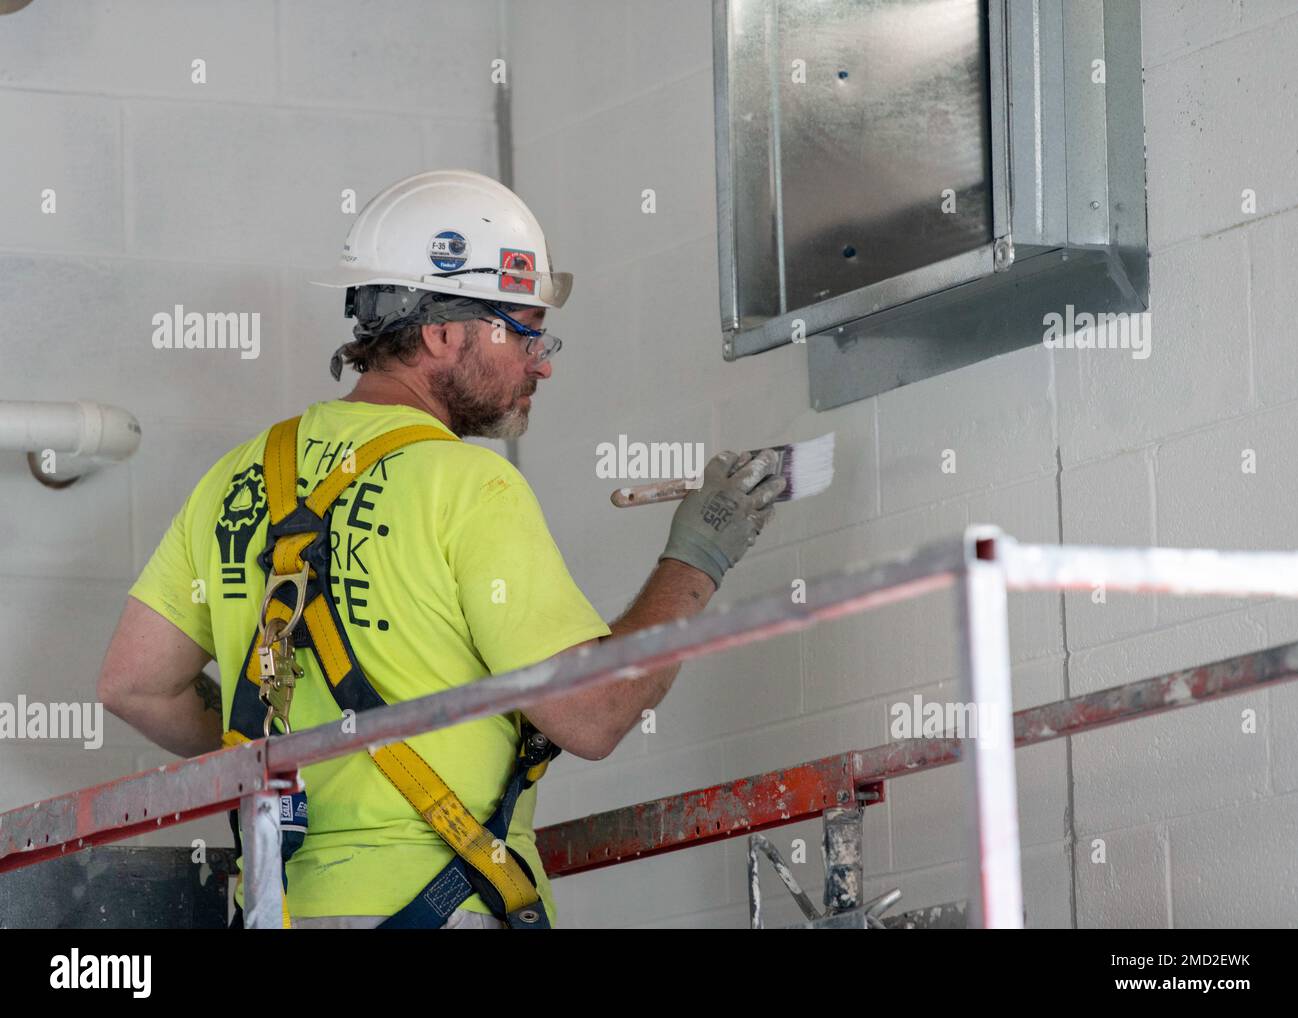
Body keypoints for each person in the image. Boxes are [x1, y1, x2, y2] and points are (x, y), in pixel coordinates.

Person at [97, 169, 786, 929]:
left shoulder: (236, 478)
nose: (542, 361)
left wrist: (279, 760)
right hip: (439, 905)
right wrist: (697, 559)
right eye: (524, 332)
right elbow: (596, 713)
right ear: (442, 332)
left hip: (280, 910)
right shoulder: (466, 485)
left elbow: (135, 685)